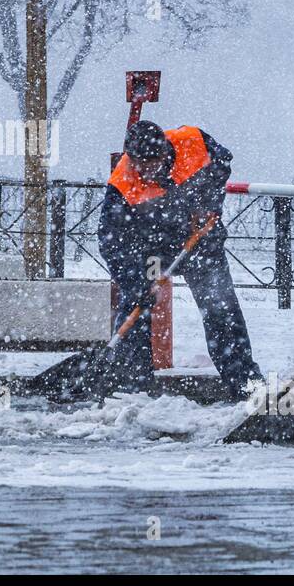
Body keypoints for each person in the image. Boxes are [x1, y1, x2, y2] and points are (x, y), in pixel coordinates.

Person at [29, 121, 261, 401]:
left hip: (199, 241)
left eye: (153, 163)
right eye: (141, 165)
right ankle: (132, 387)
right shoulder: (123, 184)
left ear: (165, 152)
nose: (147, 171)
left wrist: (209, 204)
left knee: (220, 308)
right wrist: (135, 281)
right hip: (153, 249)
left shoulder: (192, 141)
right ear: (132, 158)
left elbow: (222, 162)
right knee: (136, 308)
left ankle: (245, 384)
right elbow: (111, 241)